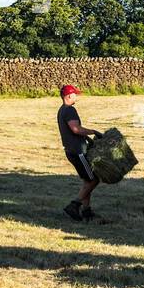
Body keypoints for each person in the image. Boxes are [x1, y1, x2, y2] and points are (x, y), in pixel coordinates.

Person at [57, 84, 101, 221]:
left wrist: (87, 138)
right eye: (75, 94)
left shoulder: (61, 110)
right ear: (69, 96)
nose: (76, 96)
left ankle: (86, 211)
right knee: (94, 180)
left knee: (87, 181)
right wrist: (94, 132)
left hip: (71, 151)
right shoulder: (70, 110)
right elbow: (76, 129)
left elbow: (74, 131)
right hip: (78, 151)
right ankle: (74, 205)